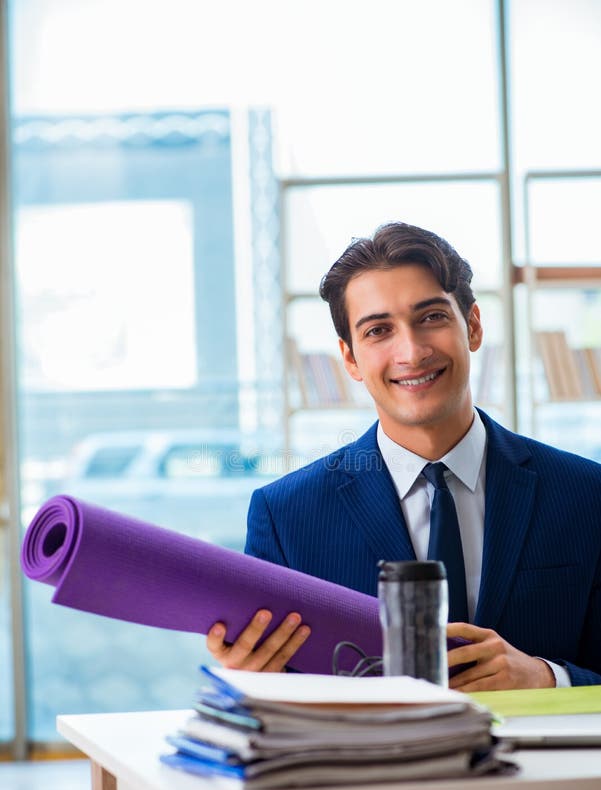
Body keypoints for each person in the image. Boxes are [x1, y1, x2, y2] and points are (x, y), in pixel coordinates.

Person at [207, 222, 601, 690]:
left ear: (472, 326)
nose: (411, 352)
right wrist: (248, 678)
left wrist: (546, 678)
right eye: (378, 330)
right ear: (350, 358)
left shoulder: (586, 495)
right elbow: (275, 699)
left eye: (431, 317)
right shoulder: (287, 517)